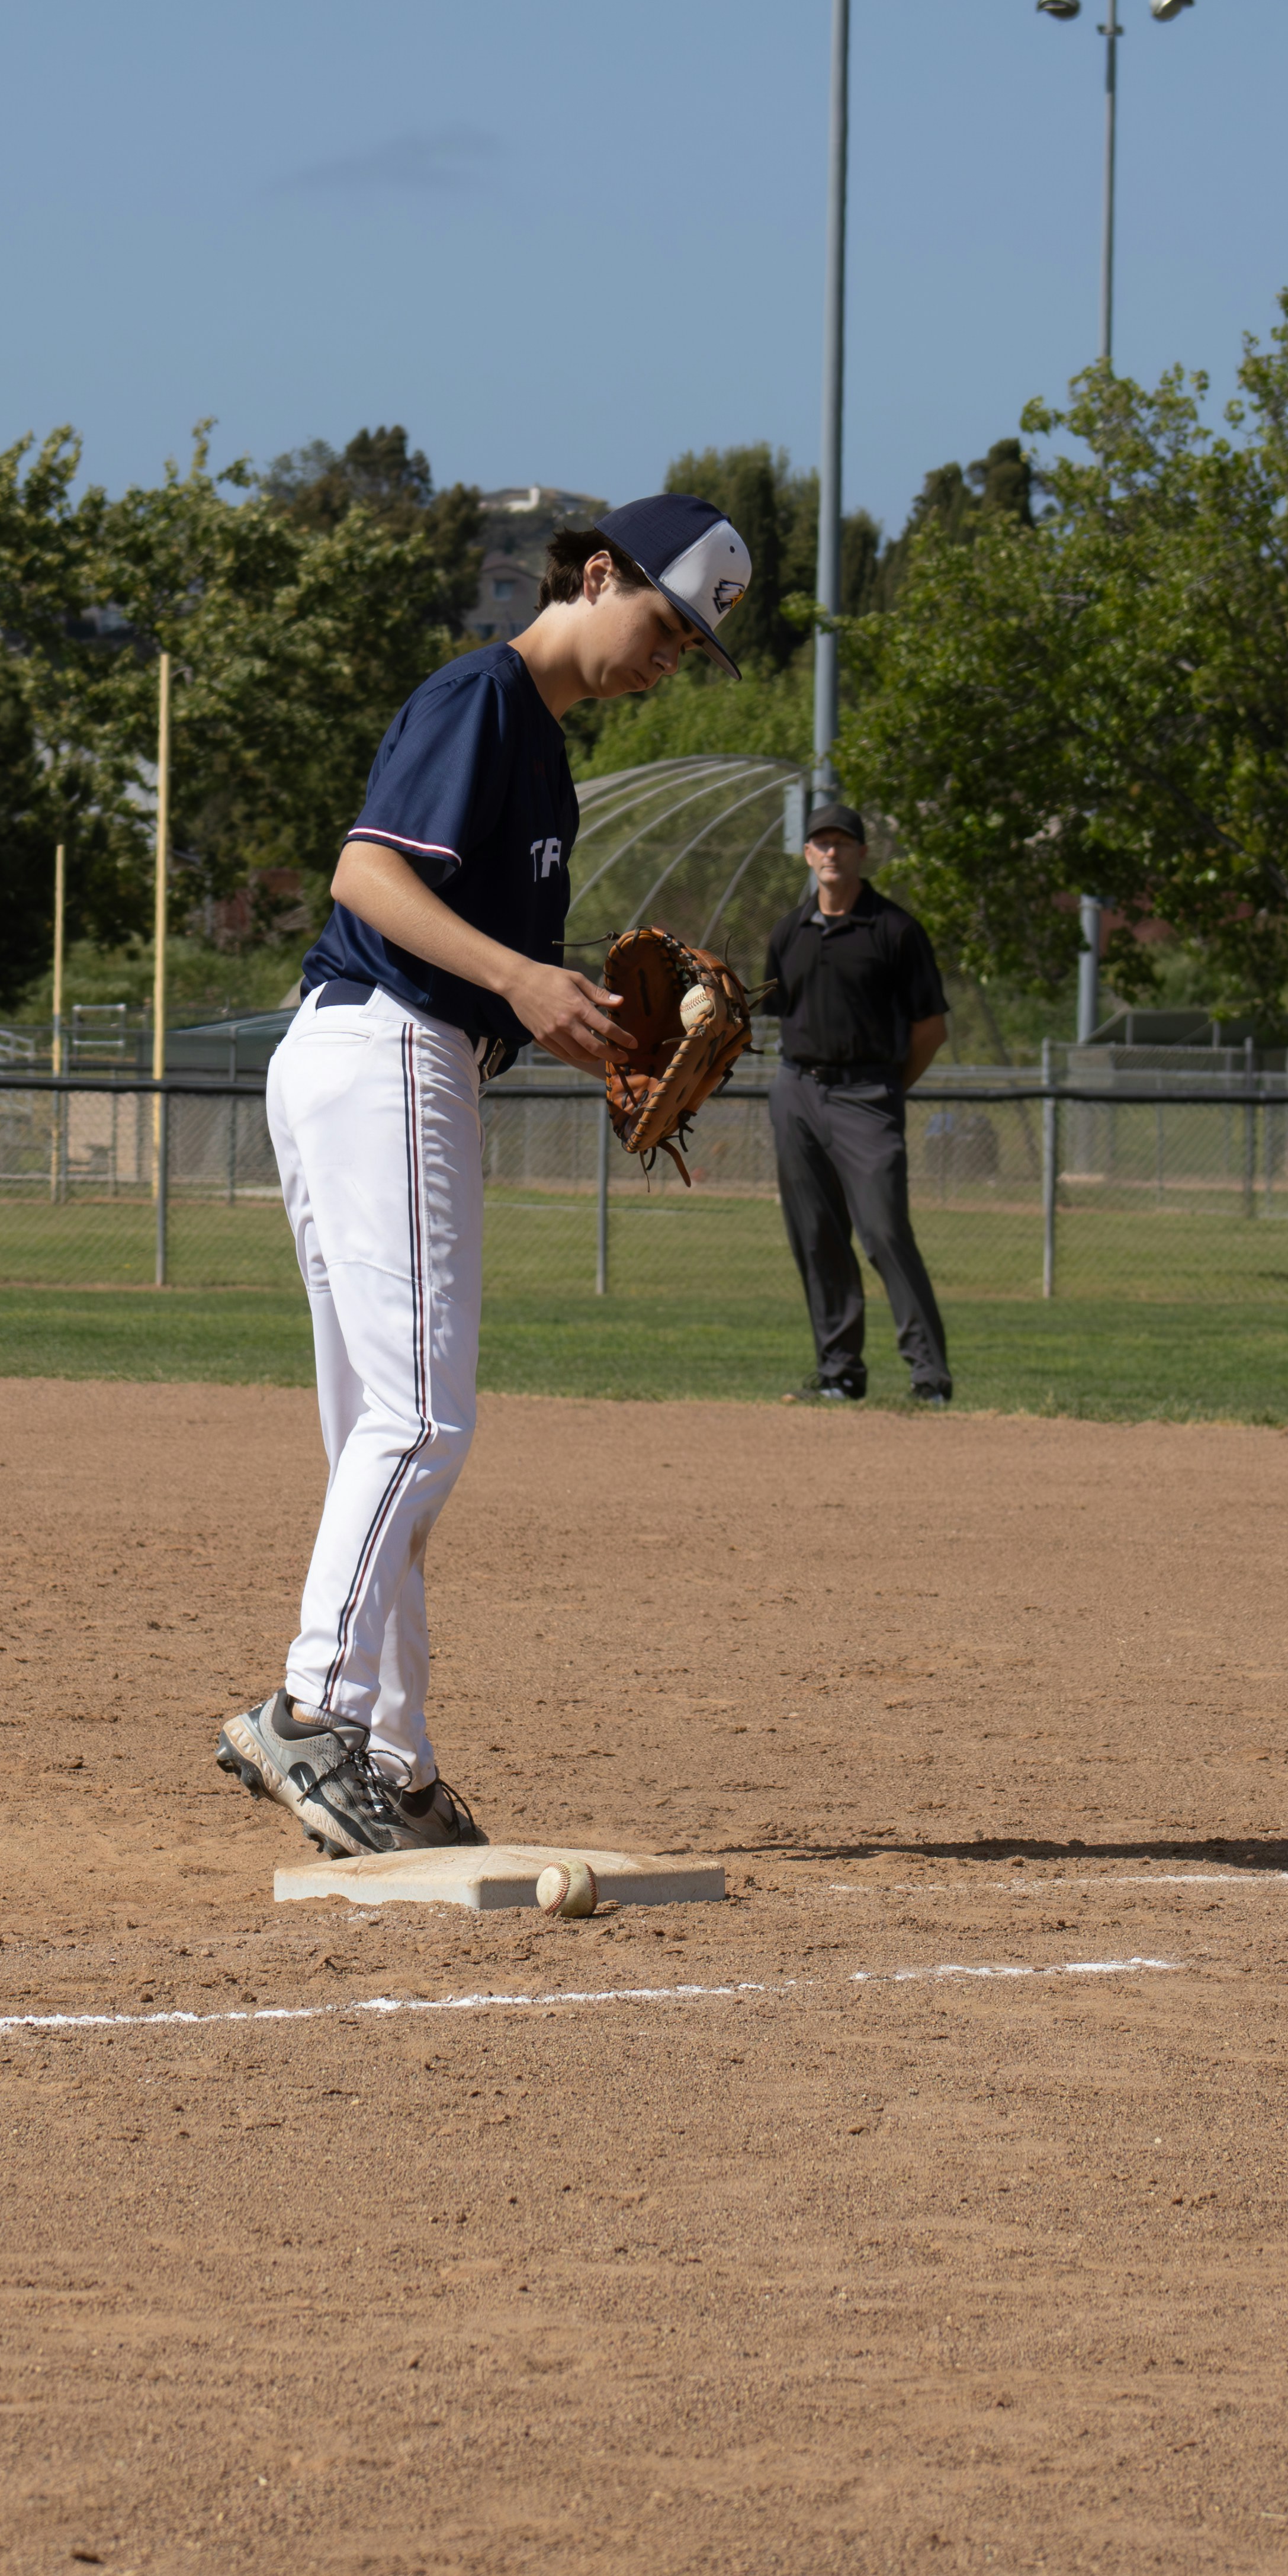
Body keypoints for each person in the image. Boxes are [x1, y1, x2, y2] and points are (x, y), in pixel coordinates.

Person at [216, 492, 753, 1859]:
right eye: (662, 622)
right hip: (383, 1049)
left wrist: (597, 1040)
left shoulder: (546, 763)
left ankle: (389, 1758)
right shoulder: (486, 701)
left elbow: (499, 988)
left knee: (378, 1434)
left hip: (387, 1059)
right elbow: (366, 877)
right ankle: (312, 1713)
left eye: (688, 646)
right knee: (418, 1420)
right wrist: (518, 976)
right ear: (593, 574)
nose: (667, 656)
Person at [757, 803, 953, 1406]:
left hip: (867, 1092)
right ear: (808, 854)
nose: (832, 852)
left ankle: (929, 1376)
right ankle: (839, 1372)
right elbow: (774, 1015)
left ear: (863, 853)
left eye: (843, 841)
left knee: (884, 1232)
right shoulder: (789, 932)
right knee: (815, 1234)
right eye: (821, 842)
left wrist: (891, 1086)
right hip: (796, 1090)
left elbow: (931, 1028)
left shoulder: (893, 930)